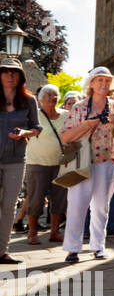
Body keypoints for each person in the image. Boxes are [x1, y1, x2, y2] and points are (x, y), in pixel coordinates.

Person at [59, 66, 114, 262]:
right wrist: (86, 125)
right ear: (91, 84)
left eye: (107, 80)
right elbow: (65, 137)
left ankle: (98, 246)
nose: (104, 84)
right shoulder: (79, 107)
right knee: (77, 205)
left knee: (101, 206)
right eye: (100, 80)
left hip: (109, 159)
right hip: (82, 161)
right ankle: (72, 248)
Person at [1, 57, 40, 264]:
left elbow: (37, 128)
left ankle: (2, 251)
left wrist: (25, 132)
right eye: (6, 71)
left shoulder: (29, 100)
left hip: (16, 160)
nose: (10, 75)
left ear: (20, 77)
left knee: (9, 206)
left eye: (14, 72)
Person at [22, 84, 68, 247]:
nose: (52, 98)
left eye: (55, 95)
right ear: (40, 99)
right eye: (48, 95)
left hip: (60, 164)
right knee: (36, 199)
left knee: (59, 199)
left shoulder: (66, 115)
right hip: (37, 163)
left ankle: (55, 232)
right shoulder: (34, 115)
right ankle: (32, 233)